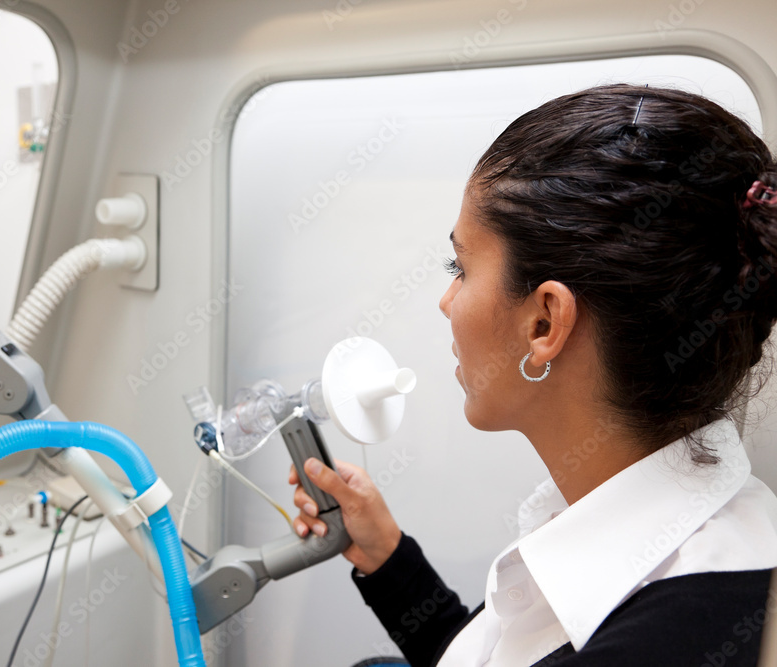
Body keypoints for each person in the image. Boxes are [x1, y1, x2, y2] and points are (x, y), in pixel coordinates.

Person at [289, 84, 777, 666]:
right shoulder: (693, 535)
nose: (447, 302)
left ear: (545, 322)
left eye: (460, 268)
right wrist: (386, 555)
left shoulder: (665, 632)